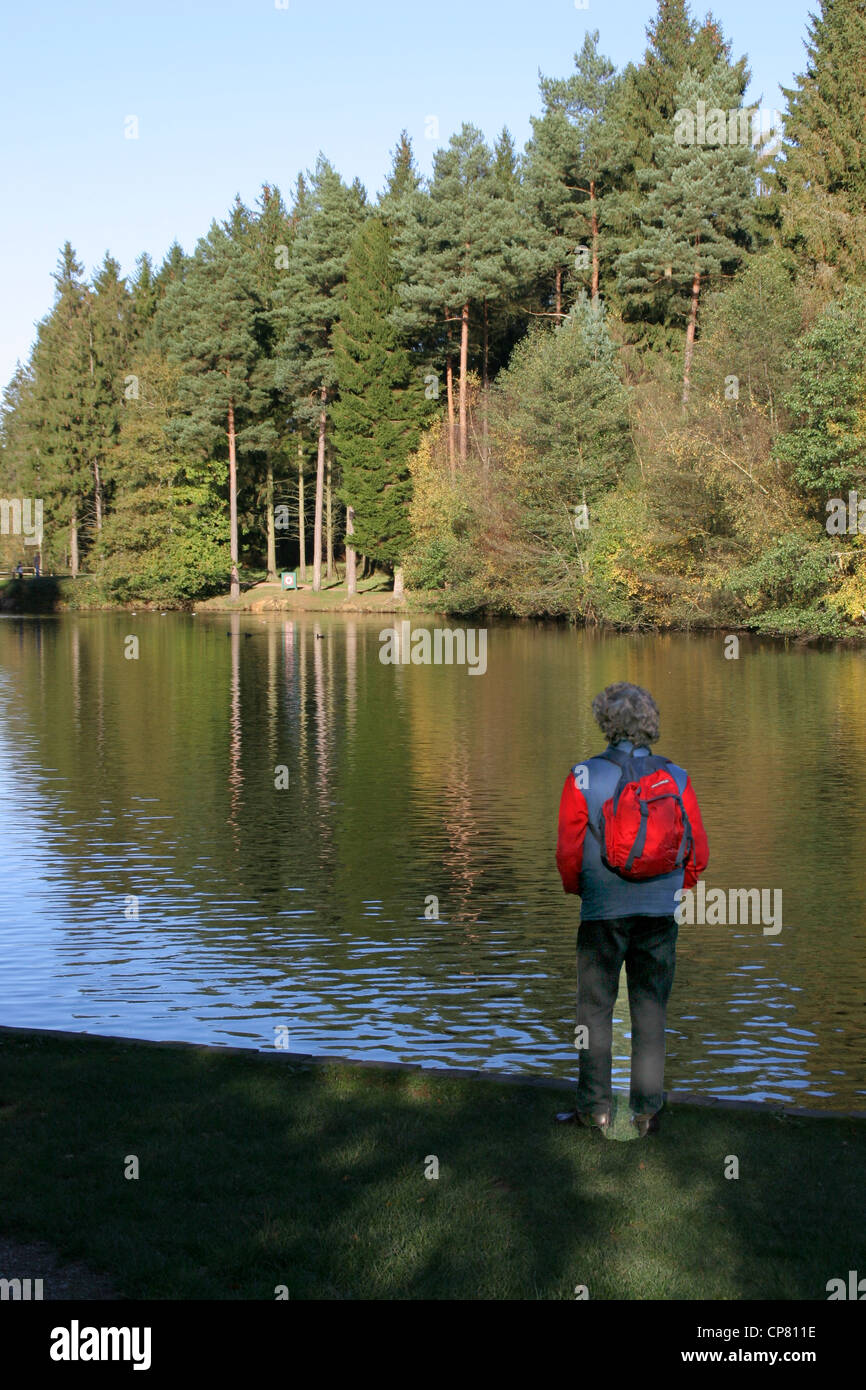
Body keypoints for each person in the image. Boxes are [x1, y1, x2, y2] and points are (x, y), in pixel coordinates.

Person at [555, 681, 709, 1138]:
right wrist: (675, 889)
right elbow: (697, 850)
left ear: (606, 722)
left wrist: (579, 890)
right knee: (649, 1010)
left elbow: (567, 850)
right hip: (659, 912)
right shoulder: (677, 778)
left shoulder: (582, 776)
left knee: (595, 1011)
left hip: (603, 913)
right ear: (649, 723)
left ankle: (594, 1110)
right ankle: (647, 1113)